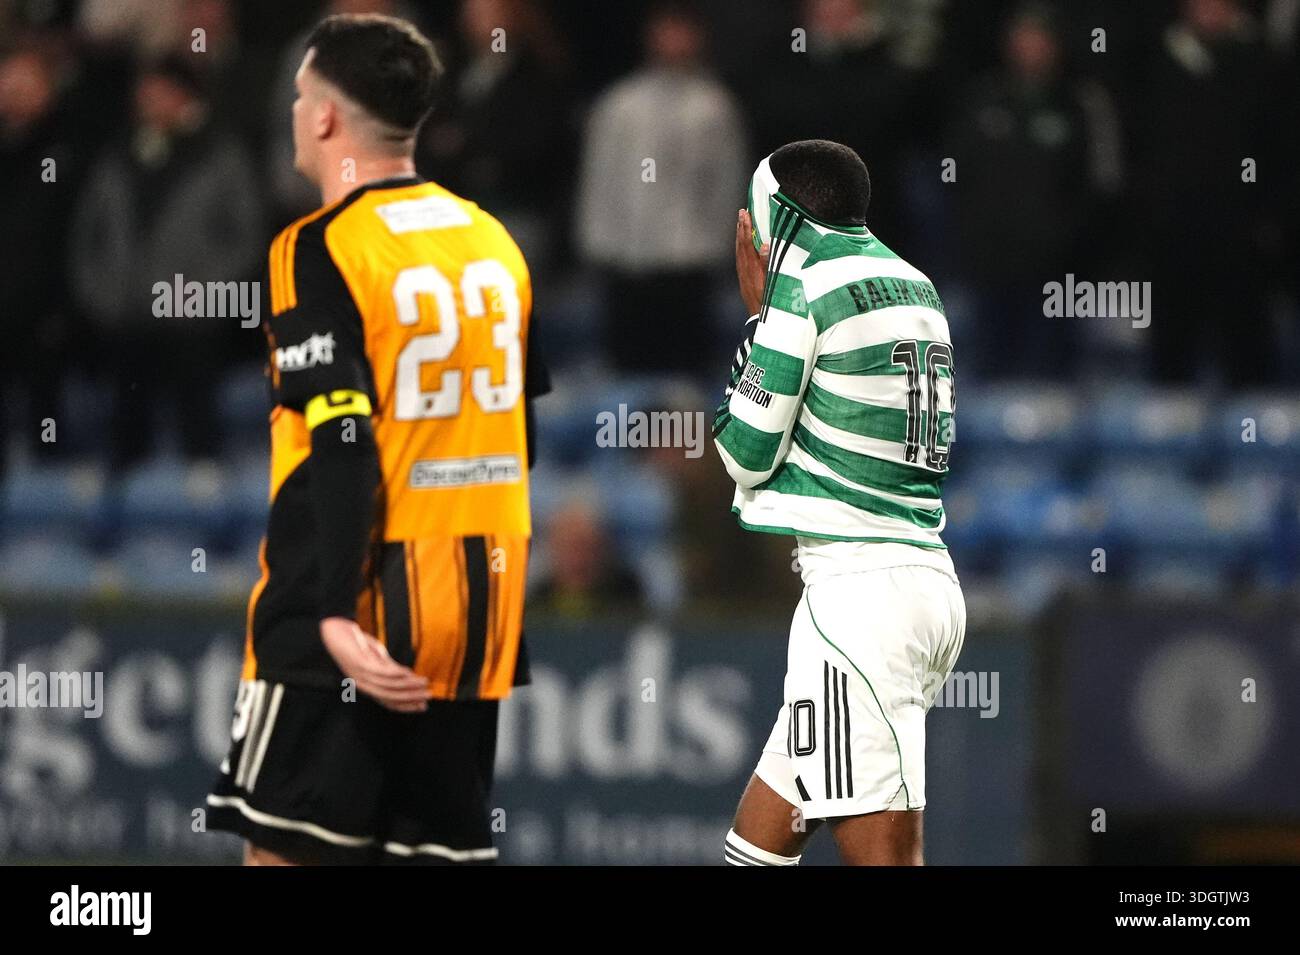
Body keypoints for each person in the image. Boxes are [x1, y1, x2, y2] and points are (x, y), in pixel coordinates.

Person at [206, 13, 549, 865]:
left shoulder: (316, 249)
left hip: (354, 612)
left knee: (283, 851)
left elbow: (344, 434)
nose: (292, 112)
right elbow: (523, 432)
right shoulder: (492, 240)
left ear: (324, 117)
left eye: (297, 96)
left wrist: (331, 611)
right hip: (474, 617)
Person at [712, 140, 965, 866]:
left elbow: (742, 449)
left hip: (858, 602)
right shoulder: (916, 282)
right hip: (923, 577)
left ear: (775, 215)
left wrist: (758, 318)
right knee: (753, 853)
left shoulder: (804, 286)